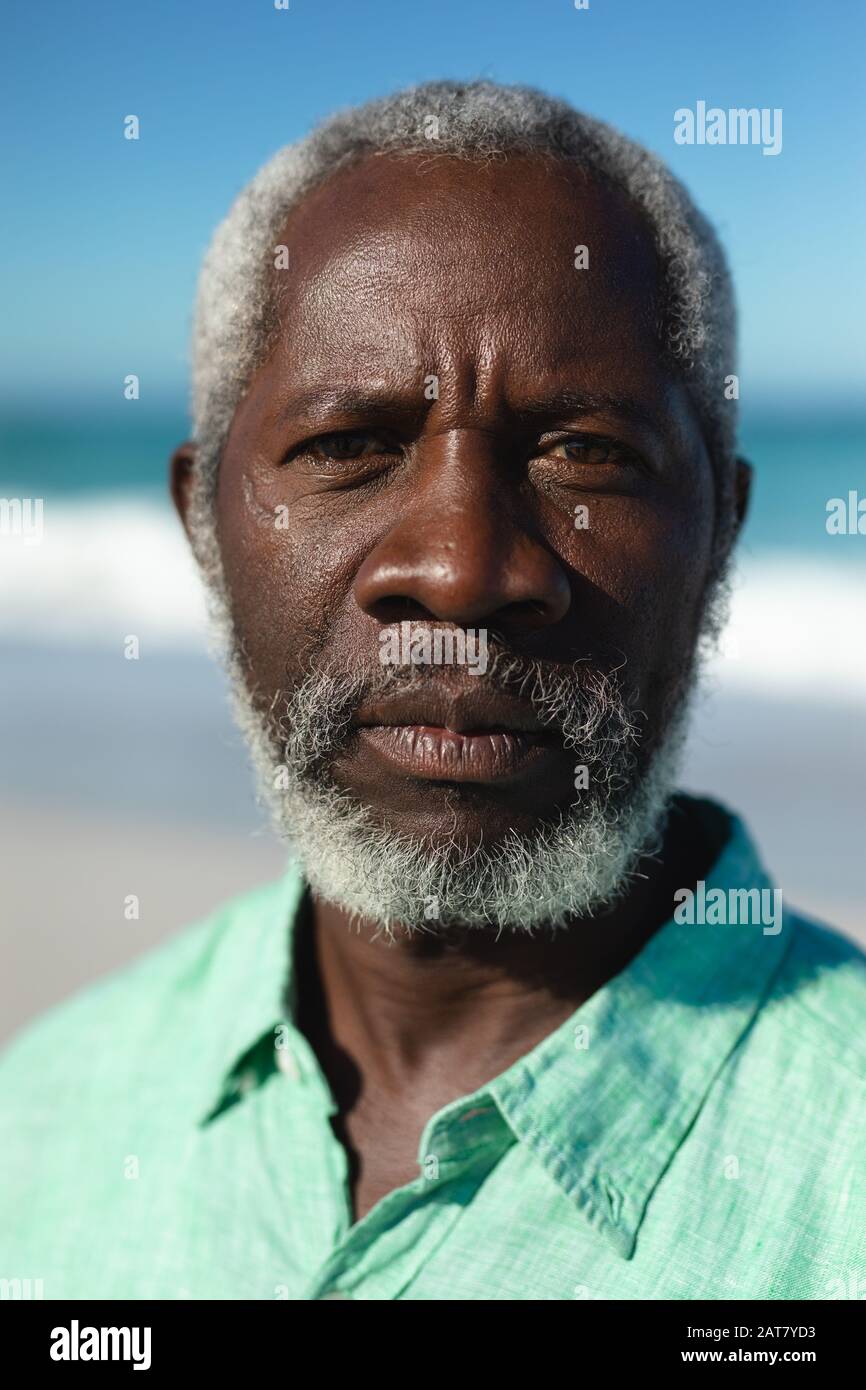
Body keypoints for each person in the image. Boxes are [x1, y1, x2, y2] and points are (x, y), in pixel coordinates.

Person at [2, 80, 864, 1301]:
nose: (460, 570)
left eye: (587, 453)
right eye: (348, 444)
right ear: (203, 518)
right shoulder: (45, 1117)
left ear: (717, 526)